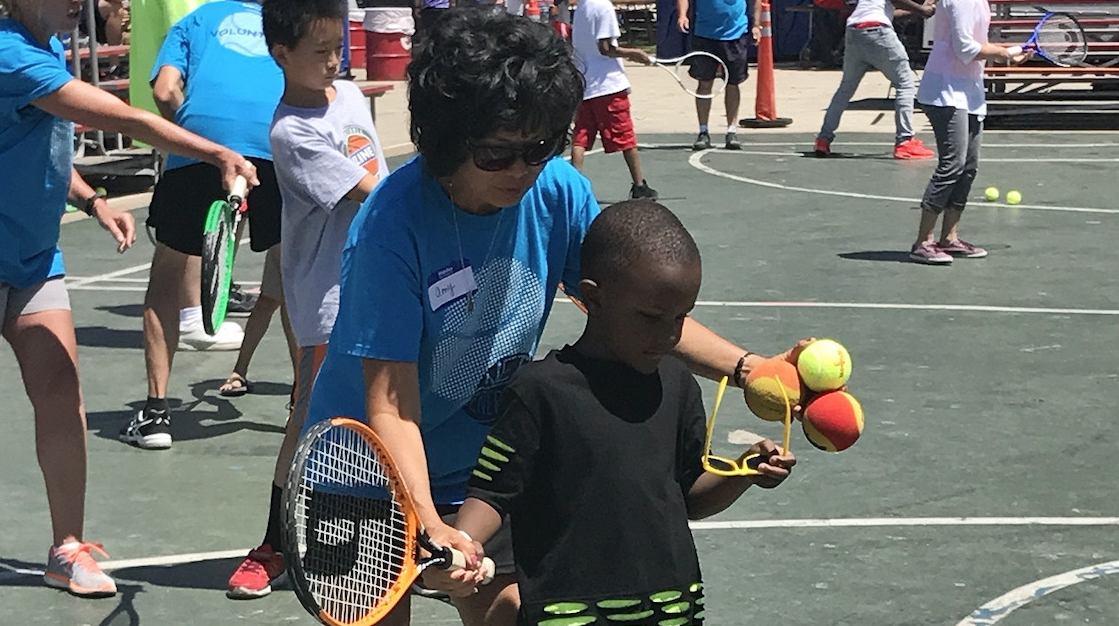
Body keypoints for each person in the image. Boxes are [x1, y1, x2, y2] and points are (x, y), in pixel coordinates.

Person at [286, 10, 804, 624]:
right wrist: (426, 521)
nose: (522, 170)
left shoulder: (555, 192)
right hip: (368, 467)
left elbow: (637, 309)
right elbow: (393, 405)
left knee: (507, 611)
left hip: (475, 463)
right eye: (496, 153)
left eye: (539, 147)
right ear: (450, 137)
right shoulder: (391, 227)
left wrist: (749, 369)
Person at [0, 0, 256, 596]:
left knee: (62, 396)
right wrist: (215, 151)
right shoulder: (5, 54)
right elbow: (124, 119)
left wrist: (92, 201)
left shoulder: (49, 46)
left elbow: (35, 146)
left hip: (35, 252)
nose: (79, 2)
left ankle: (67, 548)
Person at [446, 200, 796, 625]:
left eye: (680, 318)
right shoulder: (539, 390)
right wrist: (462, 542)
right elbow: (493, 492)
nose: (669, 334)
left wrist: (743, 473)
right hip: (566, 614)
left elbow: (689, 495)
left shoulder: (677, 384)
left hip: (671, 611)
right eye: (650, 317)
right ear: (593, 297)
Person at [224, 0, 387, 598]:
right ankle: (275, 543)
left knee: (388, 413)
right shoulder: (291, 133)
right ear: (281, 55)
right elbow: (371, 193)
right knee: (313, 421)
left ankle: (397, 536)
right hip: (328, 299)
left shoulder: (347, 97)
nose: (333, 60)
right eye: (319, 52)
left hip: (380, 285)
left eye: (336, 47)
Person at [119, 0, 285, 450]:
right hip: (274, 146)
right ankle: (305, 408)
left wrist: (192, 139)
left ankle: (155, 415)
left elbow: (165, 90)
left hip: (202, 149)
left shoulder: (194, 21)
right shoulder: (286, 20)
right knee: (292, 276)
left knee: (167, 275)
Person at [908, 0, 1022, 264]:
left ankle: (949, 238)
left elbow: (976, 44)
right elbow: (964, 48)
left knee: (969, 167)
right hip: (944, 91)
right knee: (952, 164)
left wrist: (1005, 55)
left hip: (969, 91)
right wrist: (1003, 53)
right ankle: (922, 242)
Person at [814, 0, 937, 160]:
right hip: (877, 31)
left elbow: (888, 11)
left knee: (845, 89)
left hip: (854, 31)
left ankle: (823, 139)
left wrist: (919, 10)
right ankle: (904, 141)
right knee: (904, 85)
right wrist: (923, 10)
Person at [569, 0, 658, 200]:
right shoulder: (604, 7)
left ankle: (574, 185)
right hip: (608, 85)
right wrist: (635, 54)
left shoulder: (582, 6)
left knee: (581, 136)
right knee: (626, 136)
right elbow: (606, 47)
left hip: (586, 83)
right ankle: (639, 185)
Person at [219, 243, 301, 397]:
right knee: (267, 302)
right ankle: (239, 371)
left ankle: (302, 380)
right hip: (284, 231)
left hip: (313, 234)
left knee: (291, 300)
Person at [676, 0, 758, 151]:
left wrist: (756, 25)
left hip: (736, 33)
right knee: (705, 83)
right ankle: (703, 131)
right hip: (704, 33)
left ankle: (731, 132)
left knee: (733, 83)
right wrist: (682, 15)